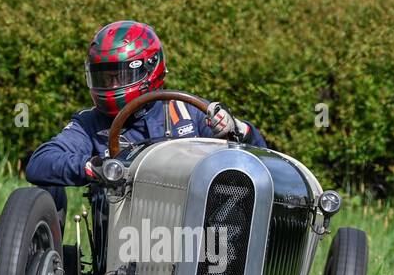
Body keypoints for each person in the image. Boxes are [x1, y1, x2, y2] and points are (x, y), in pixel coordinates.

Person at [25, 20, 265, 215]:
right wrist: (93, 167)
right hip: (121, 240)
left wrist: (238, 129)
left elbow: (258, 163)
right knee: (49, 188)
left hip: (193, 234)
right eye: (104, 78)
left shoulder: (190, 113)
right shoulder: (89, 123)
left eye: (119, 76)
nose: (111, 86)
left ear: (149, 69)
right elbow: (40, 163)